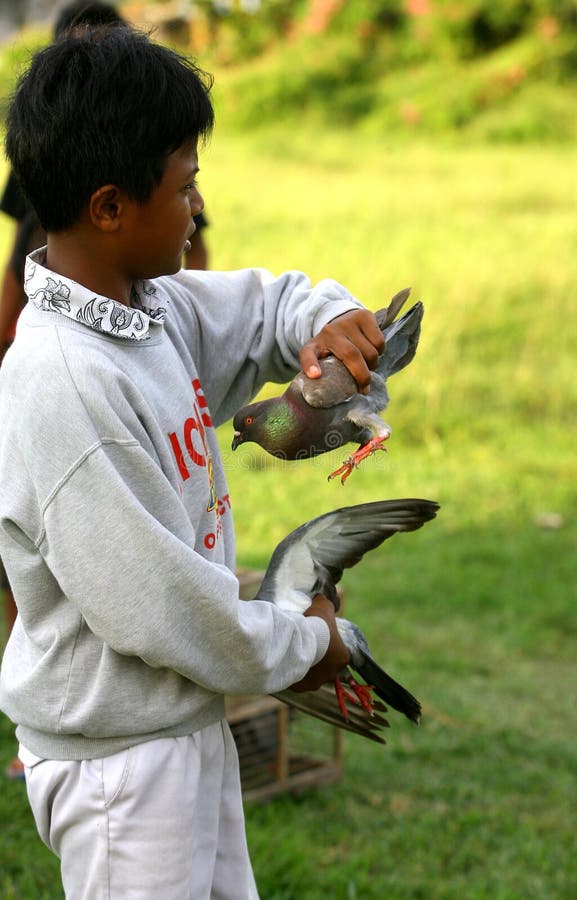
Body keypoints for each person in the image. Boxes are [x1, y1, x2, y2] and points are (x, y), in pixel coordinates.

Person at [0, 26, 385, 899]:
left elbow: (263, 307)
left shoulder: (145, 310)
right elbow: (166, 613)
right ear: (108, 207)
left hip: (180, 725)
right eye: (186, 189)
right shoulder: (65, 382)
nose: (197, 213)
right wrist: (305, 647)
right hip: (119, 772)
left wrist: (328, 320)